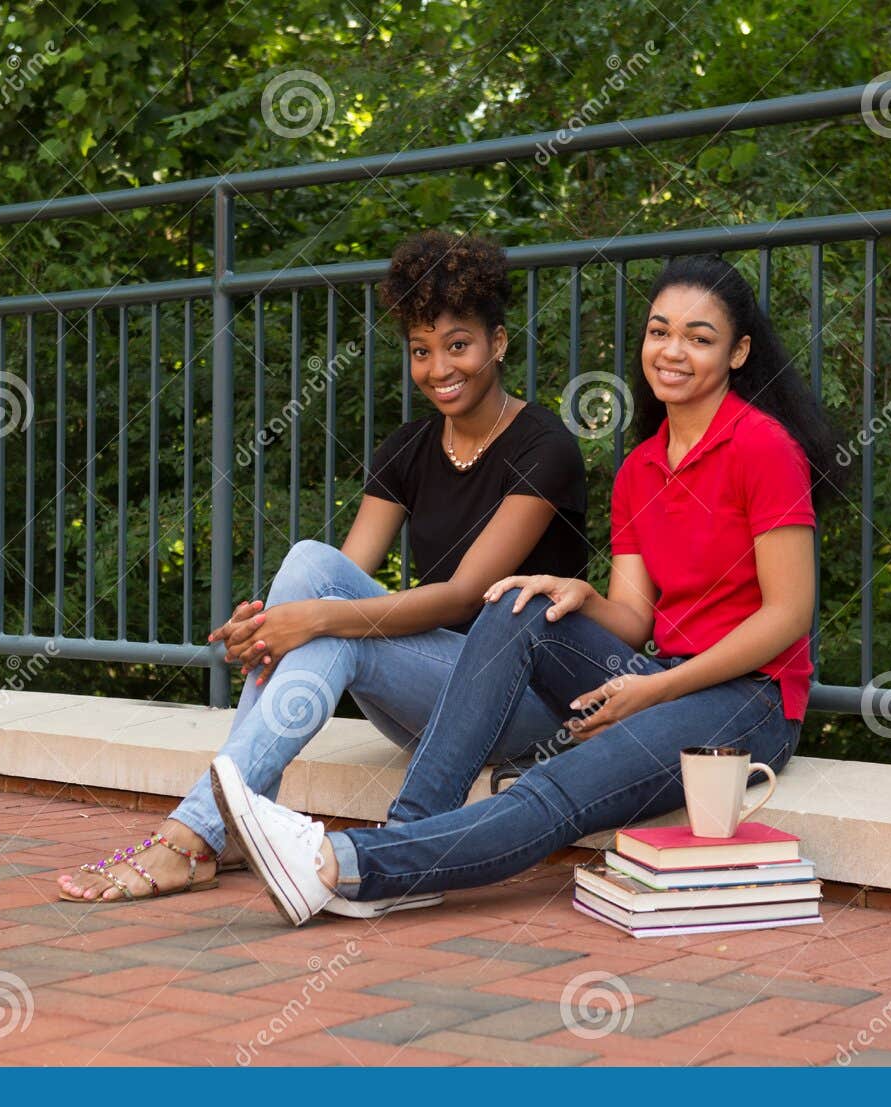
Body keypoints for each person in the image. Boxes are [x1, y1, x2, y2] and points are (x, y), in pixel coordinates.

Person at [209, 252, 847, 926]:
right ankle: (411, 831)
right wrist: (573, 591)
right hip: (658, 671)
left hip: (748, 698)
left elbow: (787, 616)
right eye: (660, 331)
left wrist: (654, 689)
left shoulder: (763, 446)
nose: (673, 351)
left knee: (552, 783)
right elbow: (633, 619)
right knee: (519, 602)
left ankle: (347, 863)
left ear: (739, 351)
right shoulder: (640, 467)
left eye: (700, 336)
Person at [58, 230, 590, 913]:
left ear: (498, 343)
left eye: (458, 344)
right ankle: (224, 821)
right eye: (421, 351)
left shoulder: (545, 447)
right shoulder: (409, 447)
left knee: (325, 625)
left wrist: (306, 619)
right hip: (428, 698)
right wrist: (278, 622)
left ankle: (200, 834)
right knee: (310, 562)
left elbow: (461, 594)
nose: (439, 368)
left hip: (523, 704)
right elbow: (336, 576)